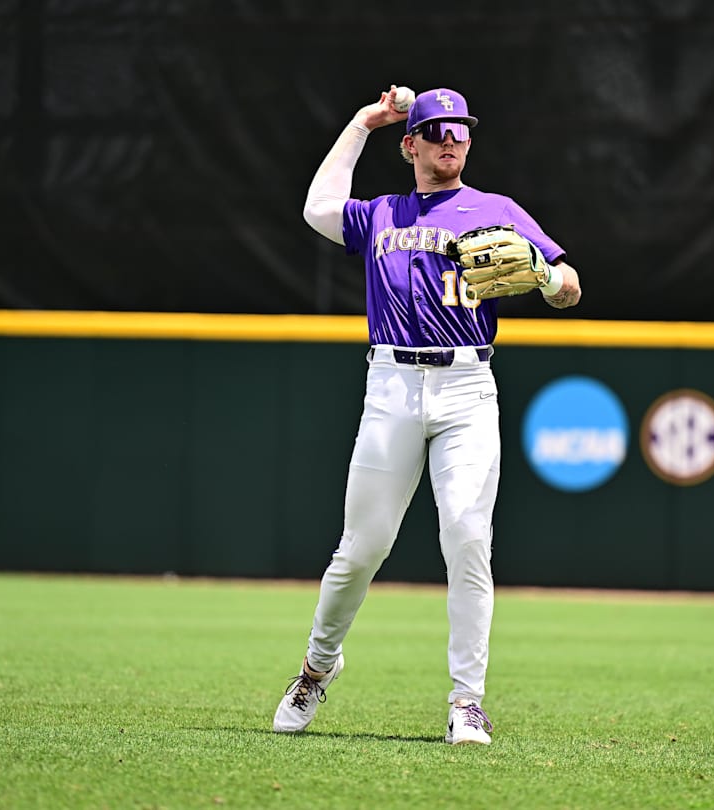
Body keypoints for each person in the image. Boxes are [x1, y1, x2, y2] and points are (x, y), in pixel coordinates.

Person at [273, 85, 582, 746]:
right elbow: (318, 207)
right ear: (410, 143)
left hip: (468, 386)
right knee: (361, 550)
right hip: (391, 384)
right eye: (435, 130)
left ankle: (467, 701)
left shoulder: (494, 210)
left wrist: (545, 276)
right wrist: (362, 122)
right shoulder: (382, 213)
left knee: (469, 538)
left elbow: (569, 286)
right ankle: (316, 668)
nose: (450, 140)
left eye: (459, 129)